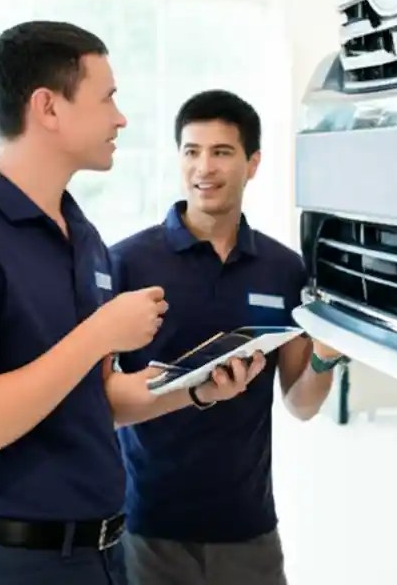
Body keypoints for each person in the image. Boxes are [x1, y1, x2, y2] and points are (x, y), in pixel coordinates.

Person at [0, 22, 267, 585]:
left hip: (98, 555)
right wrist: (101, 333)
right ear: (48, 108)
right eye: (107, 97)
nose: (120, 117)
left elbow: (96, 399)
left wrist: (196, 388)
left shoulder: (79, 234)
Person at [109, 89, 347, 585]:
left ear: (252, 163)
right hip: (148, 527)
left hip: (248, 530)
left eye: (221, 152)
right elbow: (98, 401)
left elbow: (301, 404)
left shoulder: (283, 270)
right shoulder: (128, 263)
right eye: (191, 152)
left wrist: (325, 356)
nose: (204, 168)